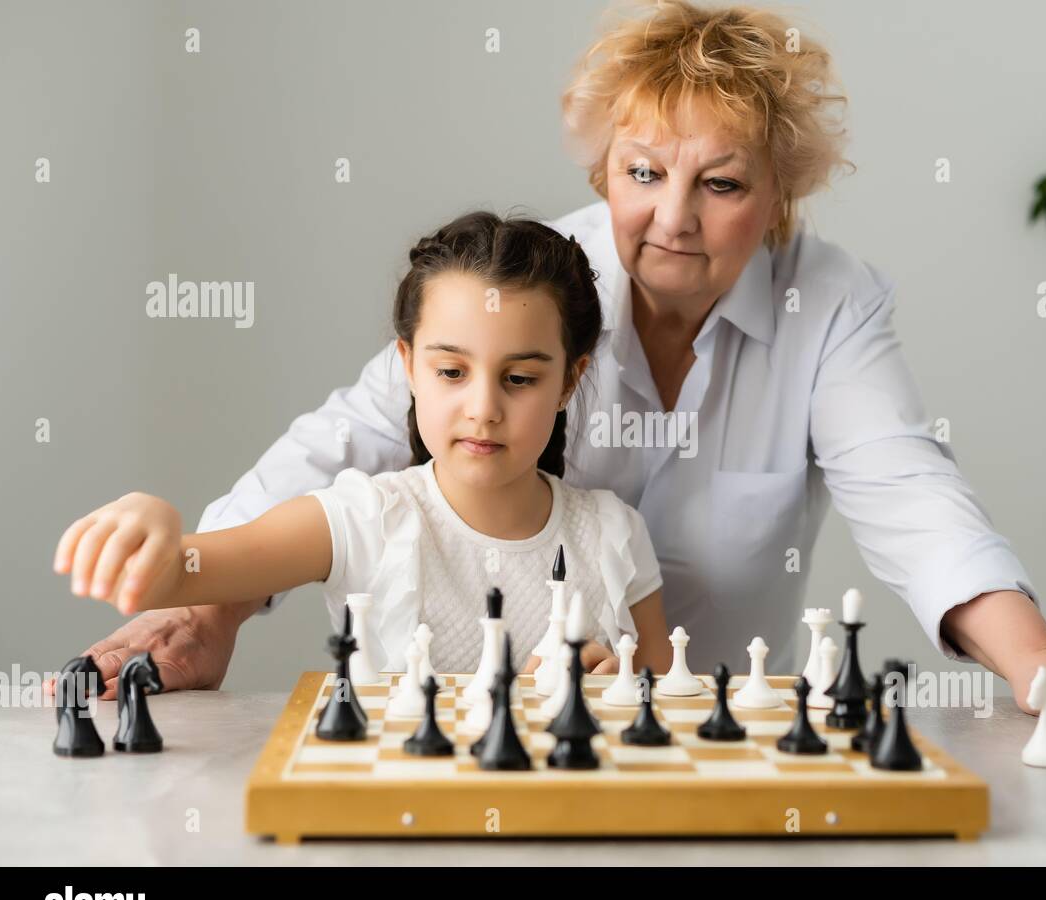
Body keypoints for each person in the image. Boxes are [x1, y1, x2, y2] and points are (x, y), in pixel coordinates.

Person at [52, 0, 1046, 732]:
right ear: (600, 170)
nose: (670, 219)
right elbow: (353, 444)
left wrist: (1038, 665)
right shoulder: (534, 292)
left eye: (721, 183)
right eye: (640, 174)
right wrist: (202, 601)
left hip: (703, 738)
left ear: (782, 194)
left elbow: (912, 497)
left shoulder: (829, 302)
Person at [53, 212, 669, 676]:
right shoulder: (360, 520)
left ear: (571, 379)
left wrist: (620, 693)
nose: (483, 409)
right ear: (407, 364)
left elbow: (669, 709)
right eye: (451, 372)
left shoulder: (615, 535)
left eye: (520, 379)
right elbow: (186, 576)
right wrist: (151, 528)